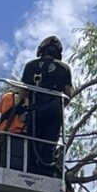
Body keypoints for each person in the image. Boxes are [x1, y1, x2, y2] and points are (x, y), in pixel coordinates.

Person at [17, 35, 72, 177]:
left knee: (32, 144)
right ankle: (47, 171)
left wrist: (21, 111)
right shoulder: (64, 68)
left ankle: (31, 170)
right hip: (55, 112)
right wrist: (59, 106)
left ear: (42, 50)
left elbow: (22, 94)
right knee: (49, 145)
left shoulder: (31, 66)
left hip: (35, 112)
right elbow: (68, 94)